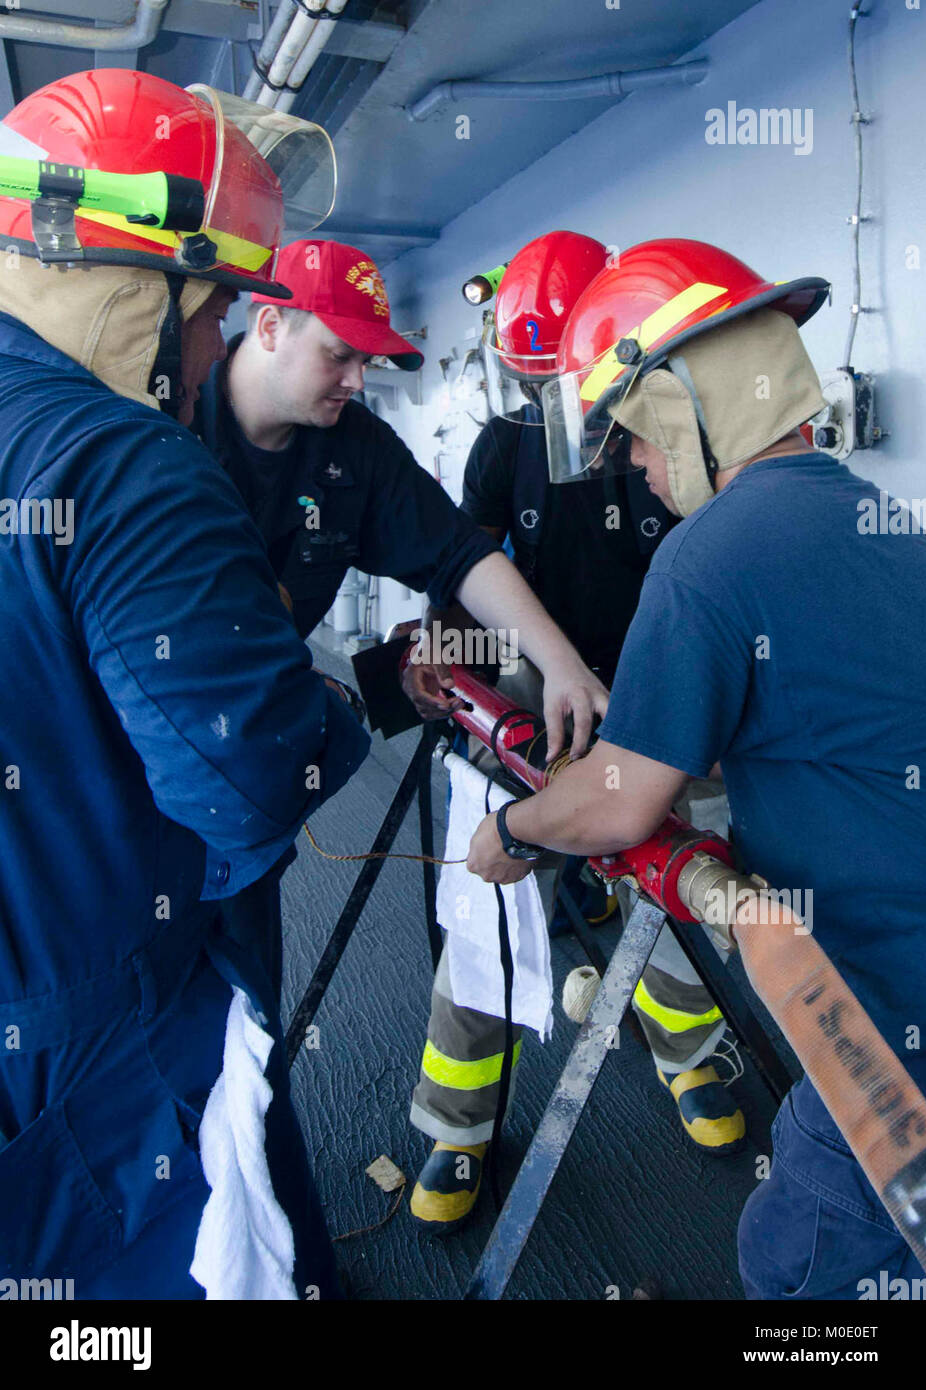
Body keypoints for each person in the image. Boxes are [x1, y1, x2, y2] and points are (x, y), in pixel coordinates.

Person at [465, 236, 926, 1299]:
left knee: (792, 1261)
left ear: (683, 405)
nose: (631, 462)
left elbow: (620, 804)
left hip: (884, 1017)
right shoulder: (877, 516)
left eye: (634, 434)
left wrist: (517, 829)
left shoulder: (712, 550)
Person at [0, 69, 371, 1299]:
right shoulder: (122, 460)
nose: (210, 346)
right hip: (106, 1041)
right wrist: (336, 702)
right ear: (137, 282)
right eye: (210, 311)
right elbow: (254, 782)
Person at [404, 232, 740, 1238]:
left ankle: (687, 1052)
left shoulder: (673, 439)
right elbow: (462, 562)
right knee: (483, 906)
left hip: (660, 691)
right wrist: (450, 665)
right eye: (529, 379)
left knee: (691, 875)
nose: (558, 414)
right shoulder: (505, 444)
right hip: (534, 690)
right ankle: (458, 1122)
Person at [194, 236, 610, 1000]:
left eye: (367, 362)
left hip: (257, 775)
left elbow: (460, 558)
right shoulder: (166, 427)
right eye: (341, 355)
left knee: (243, 999)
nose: (357, 381)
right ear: (270, 324)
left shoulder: (356, 449)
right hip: (143, 762)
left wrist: (559, 667)